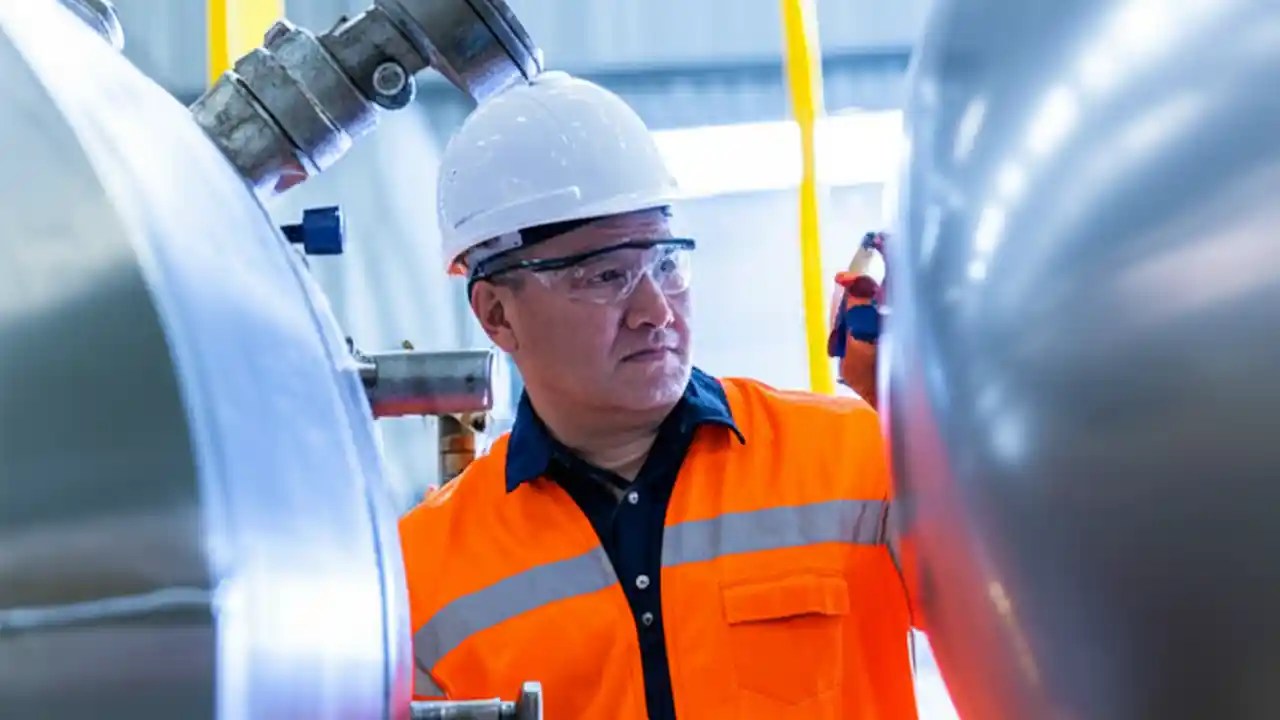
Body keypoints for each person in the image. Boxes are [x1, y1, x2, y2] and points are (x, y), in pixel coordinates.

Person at [399, 70, 916, 719]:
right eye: (606, 275)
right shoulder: (424, 573)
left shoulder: (858, 459)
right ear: (496, 315)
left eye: (667, 264)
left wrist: (948, 423)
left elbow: (1048, 604)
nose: (655, 309)